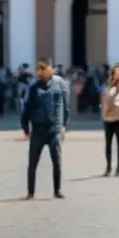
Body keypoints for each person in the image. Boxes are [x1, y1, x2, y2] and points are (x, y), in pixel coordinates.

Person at [20, 59, 71, 200]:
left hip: (54, 130)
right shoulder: (32, 88)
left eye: (45, 68)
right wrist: (26, 128)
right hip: (38, 131)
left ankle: (57, 190)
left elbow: (66, 107)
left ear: (51, 69)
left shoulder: (59, 85)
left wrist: (63, 125)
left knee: (57, 161)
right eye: (40, 69)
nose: (41, 71)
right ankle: (30, 192)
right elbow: (26, 110)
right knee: (32, 163)